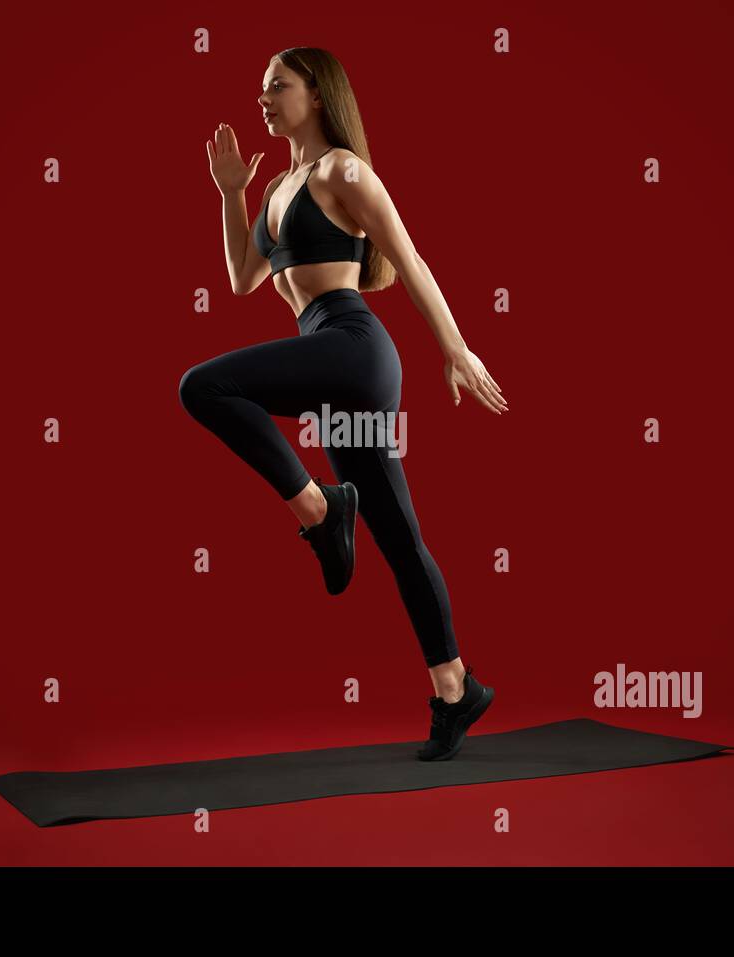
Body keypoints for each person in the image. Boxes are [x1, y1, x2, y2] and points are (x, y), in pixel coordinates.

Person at [181, 47, 506, 761]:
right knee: (397, 535)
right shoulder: (276, 187)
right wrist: (232, 192)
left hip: (353, 349)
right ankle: (457, 689)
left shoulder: (342, 172)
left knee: (204, 385)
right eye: (261, 86)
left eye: (278, 85)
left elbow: (409, 256)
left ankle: (324, 511)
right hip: (326, 354)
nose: (263, 97)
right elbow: (242, 277)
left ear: (318, 95)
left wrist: (456, 347)